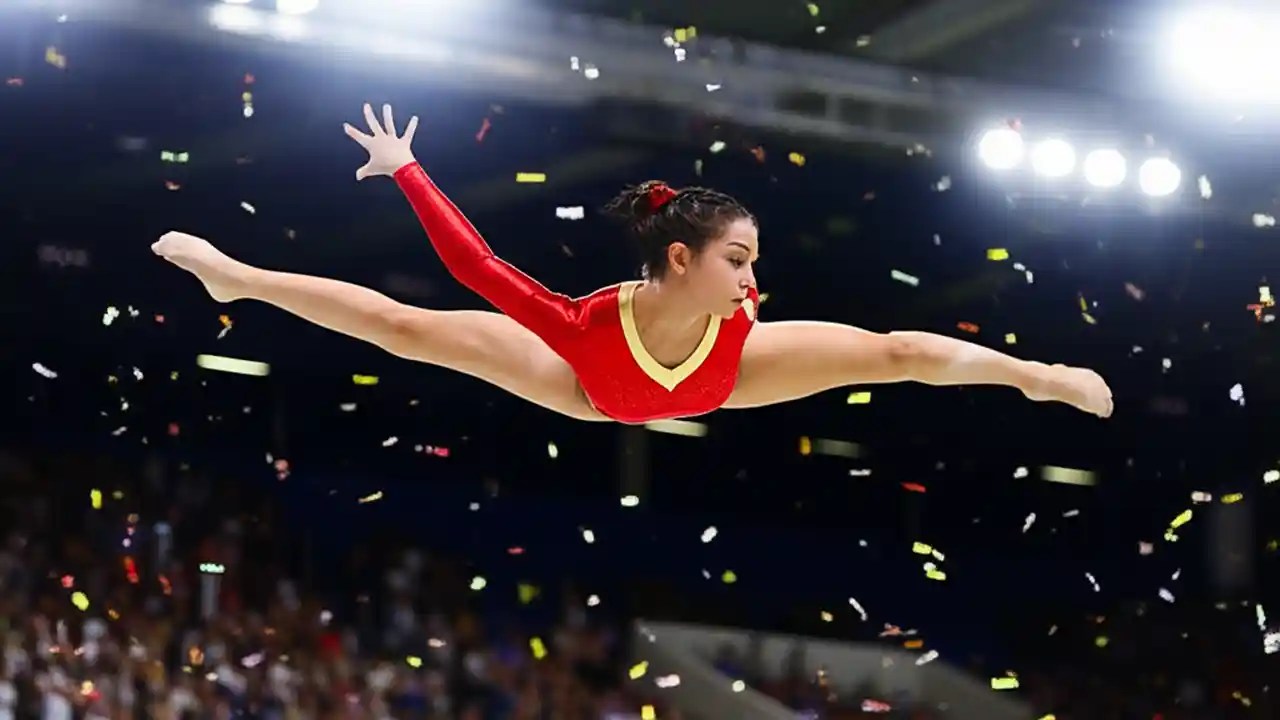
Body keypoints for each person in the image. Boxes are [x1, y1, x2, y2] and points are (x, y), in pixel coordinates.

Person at [152, 103, 1113, 424]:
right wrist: (407, 168)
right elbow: (478, 268)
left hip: (725, 381)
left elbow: (908, 351)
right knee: (405, 329)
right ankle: (241, 278)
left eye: (755, 262)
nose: (753, 282)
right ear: (680, 257)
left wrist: (1039, 374)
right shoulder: (579, 326)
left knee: (894, 352)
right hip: (587, 386)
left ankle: (1034, 376)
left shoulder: (742, 320)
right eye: (738, 261)